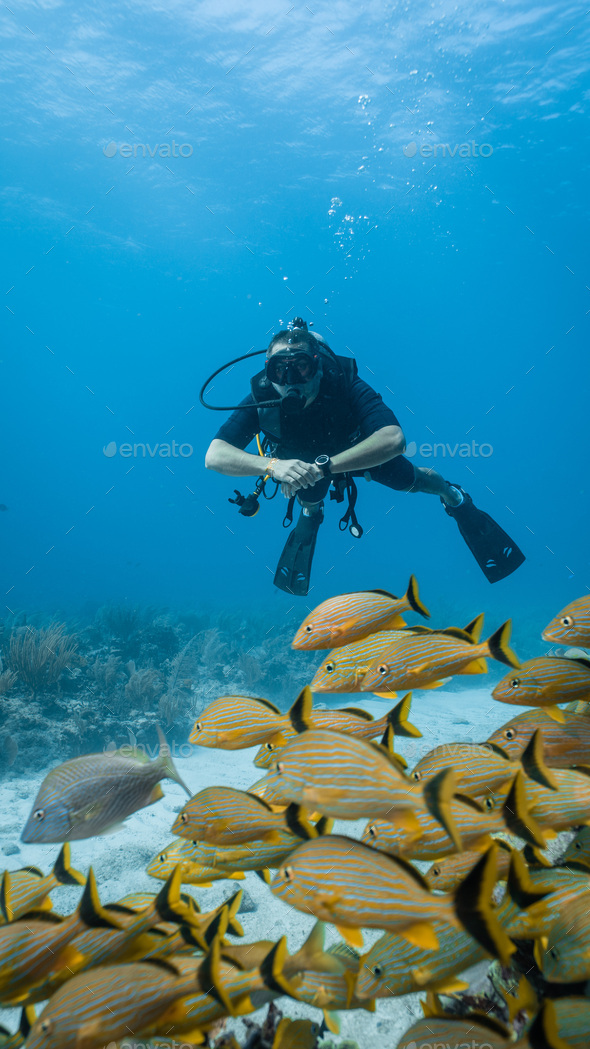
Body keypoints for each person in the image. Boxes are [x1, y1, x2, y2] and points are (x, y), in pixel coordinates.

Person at [204, 319, 524, 595]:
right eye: (279, 370)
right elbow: (214, 455)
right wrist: (272, 466)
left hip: (356, 452)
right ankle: (311, 515)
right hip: (298, 465)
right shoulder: (261, 396)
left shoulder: (343, 382)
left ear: (318, 365)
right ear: (267, 371)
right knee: (309, 491)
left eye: (301, 367)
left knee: (411, 479)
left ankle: (454, 497)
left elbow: (393, 439)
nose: (290, 382)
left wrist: (326, 466)